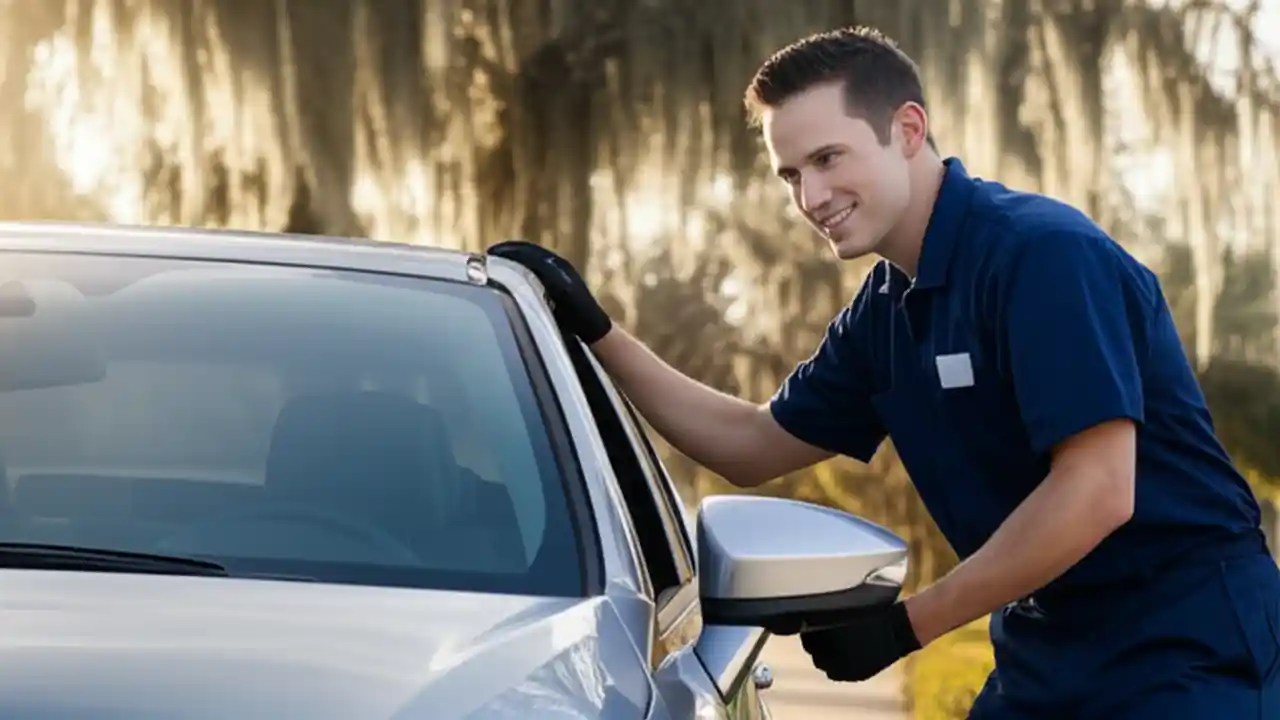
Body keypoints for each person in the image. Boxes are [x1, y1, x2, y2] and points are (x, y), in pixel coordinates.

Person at [489, 25, 1280, 719]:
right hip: (1046, 655)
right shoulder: (883, 312)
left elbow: (1098, 491)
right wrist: (596, 330)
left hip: (1186, 648)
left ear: (908, 129)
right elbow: (751, 444)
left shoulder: (1041, 255)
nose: (812, 196)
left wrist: (910, 624)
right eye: (791, 174)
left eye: (829, 158)